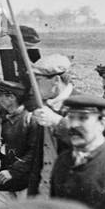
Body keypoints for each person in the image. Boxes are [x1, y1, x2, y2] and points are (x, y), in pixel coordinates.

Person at [0, 79, 44, 207]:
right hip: (5, 180)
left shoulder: (31, 119)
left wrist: (13, 172)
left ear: (11, 97)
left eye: (0, 95)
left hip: (26, 182)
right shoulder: (2, 120)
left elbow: (34, 153)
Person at [28, 54, 75, 195]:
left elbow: (90, 142)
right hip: (44, 193)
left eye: (38, 80)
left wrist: (57, 122)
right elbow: (38, 159)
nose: (33, 86)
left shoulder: (84, 105)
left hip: (71, 197)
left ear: (55, 80)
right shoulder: (44, 106)